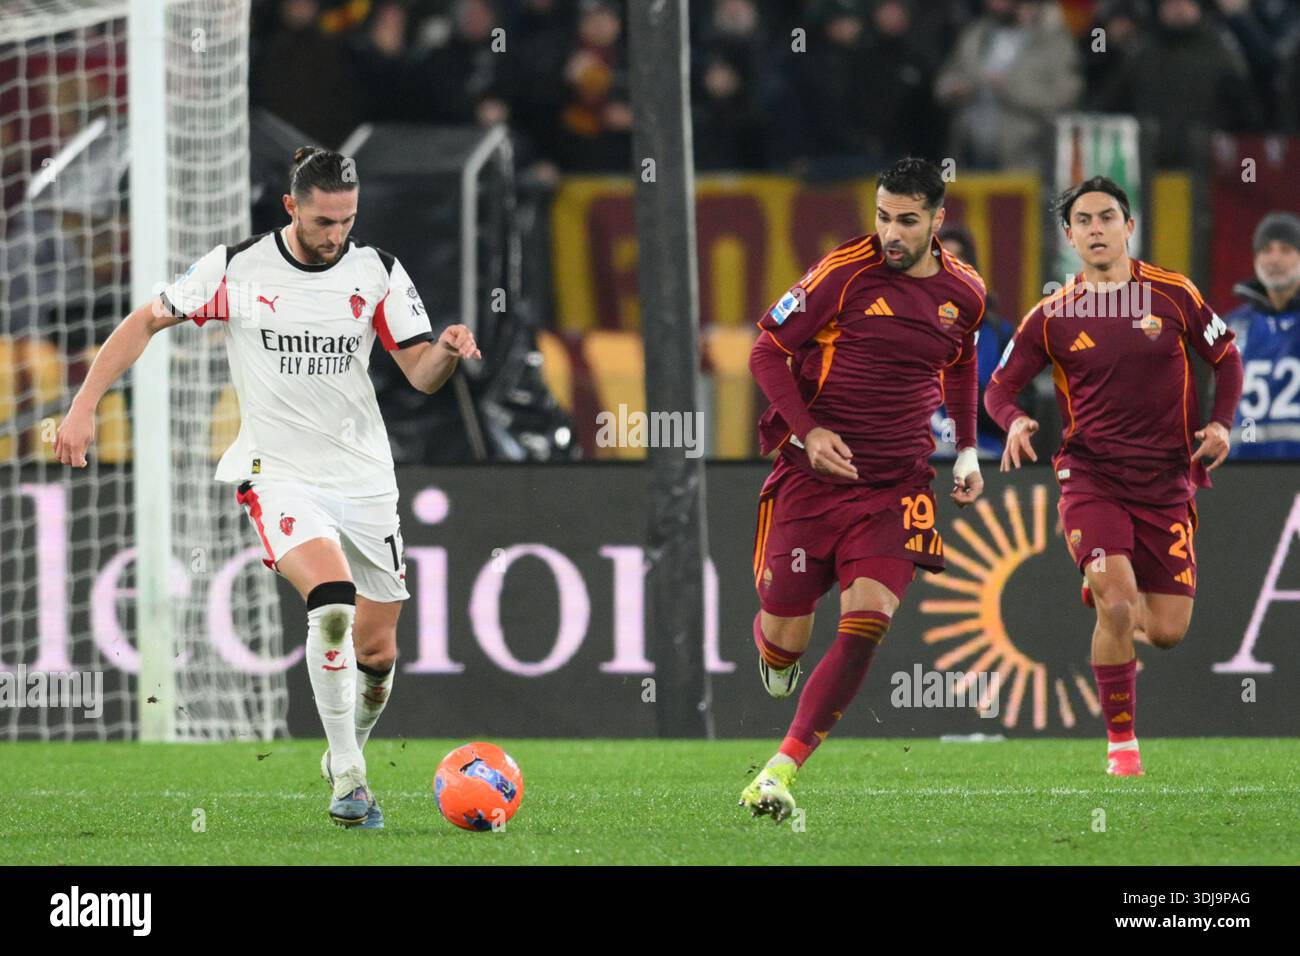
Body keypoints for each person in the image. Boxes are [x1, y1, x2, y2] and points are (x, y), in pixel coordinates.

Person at [54, 147, 481, 827]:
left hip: (365, 474)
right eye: (323, 221)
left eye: (346, 220)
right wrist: (83, 406)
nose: (336, 234)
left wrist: (448, 353)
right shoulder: (237, 270)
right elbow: (145, 321)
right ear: (291, 207)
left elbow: (418, 374)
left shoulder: (378, 274)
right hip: (277, 471)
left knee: (377, 652)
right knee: (332, 602)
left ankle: (347, 747)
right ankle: (349, 779)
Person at [740, 158, 987, 821]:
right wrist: (810, 431)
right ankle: (778, 652)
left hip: (894, 484)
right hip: (811, 478)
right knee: (782, 634)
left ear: (938, 220)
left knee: (869, 620)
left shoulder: (965, 293)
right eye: (882, 216)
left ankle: (779, 770)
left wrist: (966, 450)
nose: (891, 233)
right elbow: (766, 350)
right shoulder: (842, 273)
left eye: (907, 220)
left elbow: (960, 363)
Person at [984, 176, 1243, 776]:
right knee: (1120, 609)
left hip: (1166, 483)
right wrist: (1016, 420)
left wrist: (1224, 424)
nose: (1096, 229)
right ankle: (1122, 747)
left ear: (1130, 228)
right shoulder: (1052, 314)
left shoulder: (1173, 295)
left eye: (1108, 218)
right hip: (1090, 476)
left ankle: (1103, 589)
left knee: (1170, 631)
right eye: (1084, 221)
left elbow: (1225, 356)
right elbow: (999, 386)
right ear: (1070, 236)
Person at [1225, 211, 1300, 458]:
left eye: (1286, 250)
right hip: (1244, 476)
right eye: (1266, 250)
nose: (1275, 259)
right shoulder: (1233, 325)